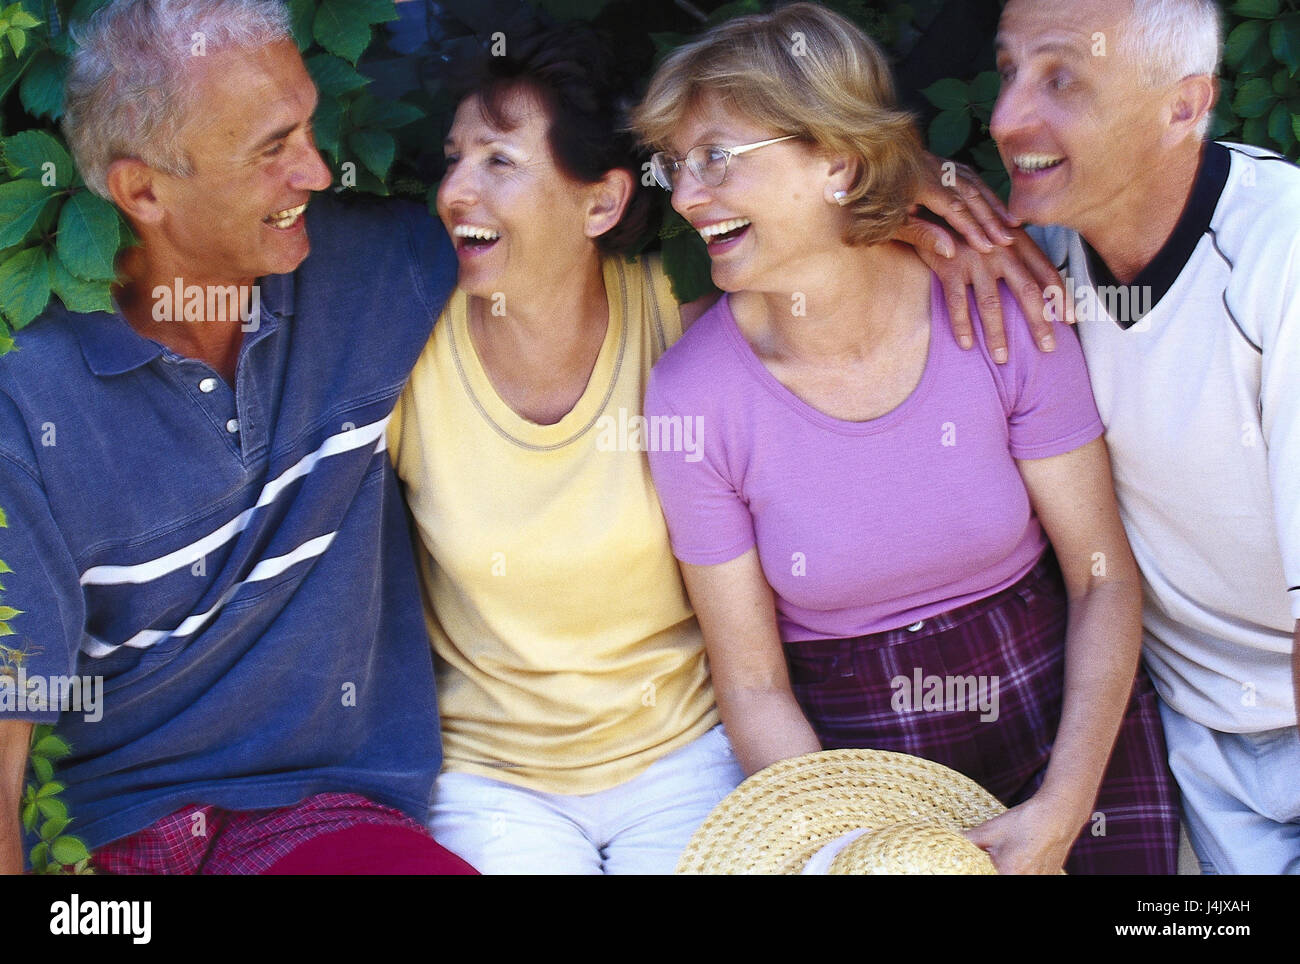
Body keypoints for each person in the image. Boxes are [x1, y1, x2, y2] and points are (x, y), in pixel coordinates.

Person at [633, 1, 1180, 875]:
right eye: (676, 167)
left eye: (717, 159)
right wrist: (846, 848)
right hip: (860, 759)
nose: (689, 195)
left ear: (838, 164)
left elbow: (1103, 581)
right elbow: (755, 686)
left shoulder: (992, 313)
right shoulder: (691, 396)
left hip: (1062, 710)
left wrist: (1065, 809)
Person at [0, 0, 474, 875]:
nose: (321, 172)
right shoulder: (29, 405)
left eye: (307, 128)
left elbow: (558, 239)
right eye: (272, 150)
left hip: (319, 810)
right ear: (142, 191)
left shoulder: (378, 269)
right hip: (101, 837)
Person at [386, 23, 749, 875]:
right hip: (494, 785)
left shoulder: (678, 310)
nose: (454, 192)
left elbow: (826, 250)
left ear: (601, 203)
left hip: (685, 760)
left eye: (499, 162)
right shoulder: (406, 346)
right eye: (453, 159)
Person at [989, 0, 1300, 874]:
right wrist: (932, 201)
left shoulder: (1281, 257)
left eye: (1063, 80)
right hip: (1190, 735)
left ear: (1183, 107)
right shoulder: (1034, 252)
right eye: (1008, 70)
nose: (1007, 118)